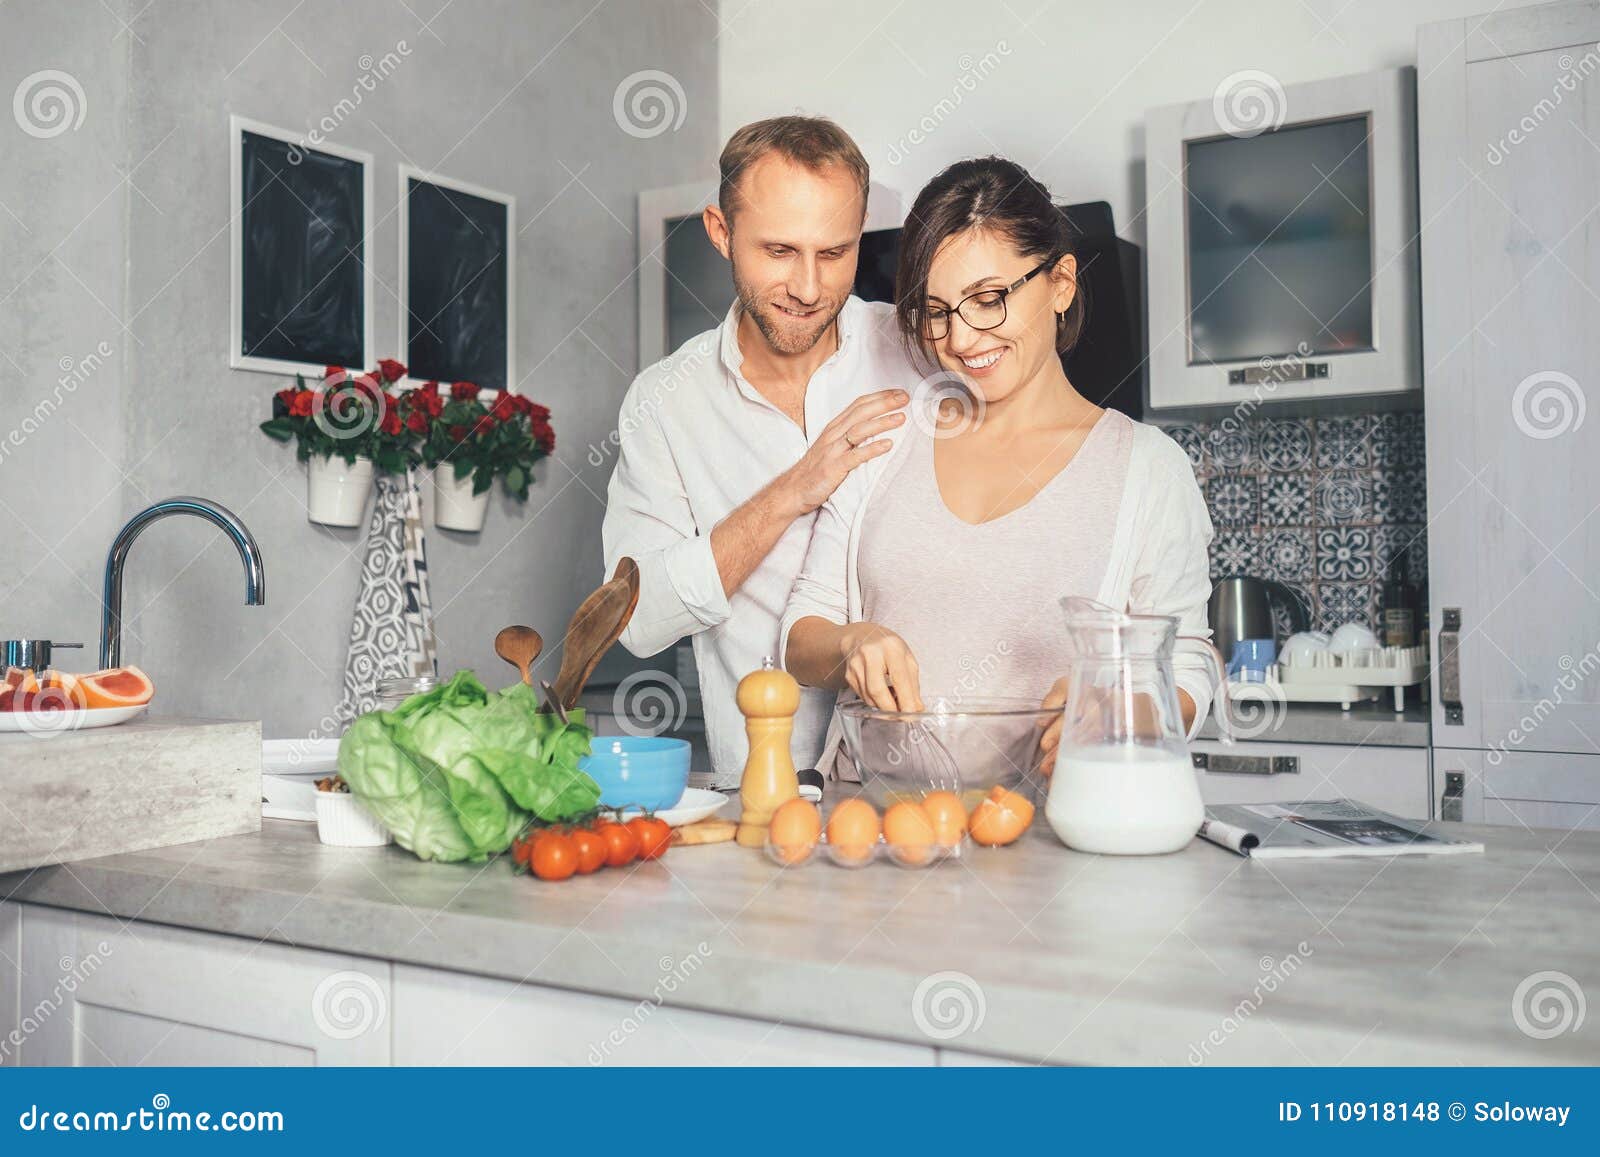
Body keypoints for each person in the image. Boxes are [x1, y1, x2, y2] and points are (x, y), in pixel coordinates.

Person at [782, 156, 1216, 780]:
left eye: (987, 300)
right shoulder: (888, 437)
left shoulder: (1146, 470)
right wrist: (850, 644)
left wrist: (1123, 713)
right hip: (875, 835)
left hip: (1052, 841)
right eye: (936, 310)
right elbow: (802, 636)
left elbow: (1188, 665)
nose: (960, 340)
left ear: (1061, 282)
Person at [602, 116, 918, 783]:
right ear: (721, 232)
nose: (808, 288)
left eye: (834, 252)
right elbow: (633, 617)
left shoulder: (919, 353)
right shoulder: (665, 402)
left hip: (917, 788)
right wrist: (791, 492)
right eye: (779, 251)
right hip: (761, 800)